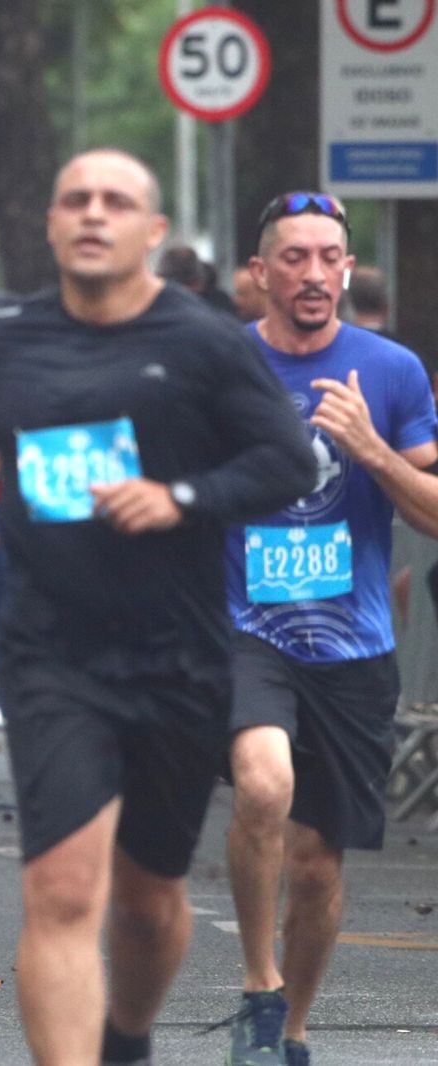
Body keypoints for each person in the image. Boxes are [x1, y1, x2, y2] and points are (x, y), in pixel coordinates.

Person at [0, 149, 316, 1066]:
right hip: (50, 652)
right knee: (61, 891)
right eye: (76, 200)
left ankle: (129, 1035)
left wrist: (181, 496)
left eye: (116, 201)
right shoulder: (4, 335)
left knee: (147, 904)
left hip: (177, 656)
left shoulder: (206, 341)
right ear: (52, 224)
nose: (94, 214)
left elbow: (287, 462)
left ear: (152, 231)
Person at [222, 193, 438, 1066]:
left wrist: (372, 449)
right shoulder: (220, 366)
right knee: (263, 784)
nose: (314, 275)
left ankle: (291, 1031)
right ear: (260, 273)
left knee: (318, 864)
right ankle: (257, 981)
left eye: (329, 259)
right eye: (295, 258)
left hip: (354, 646)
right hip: (246, 629)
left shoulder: (391, 372)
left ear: (347, 270)